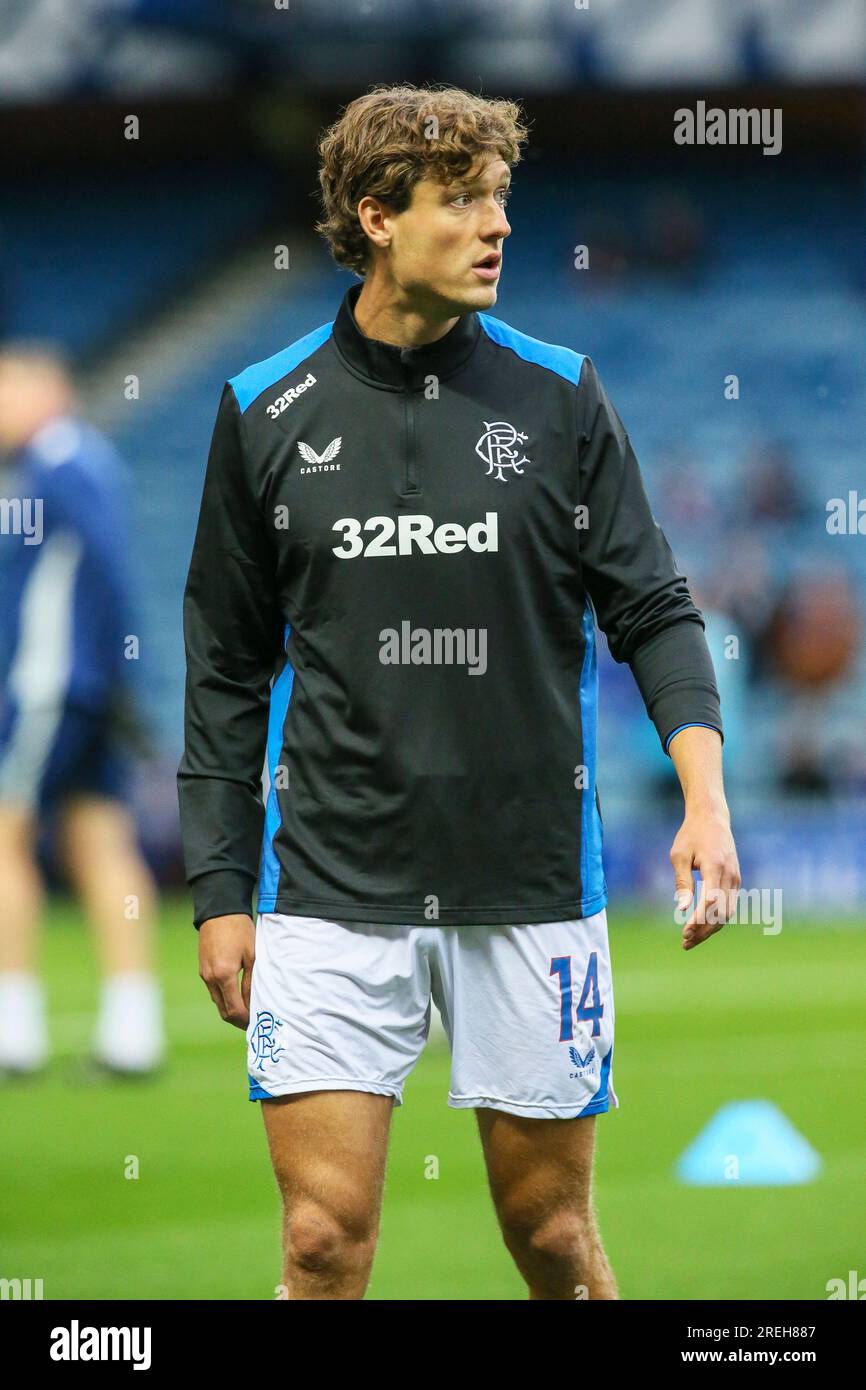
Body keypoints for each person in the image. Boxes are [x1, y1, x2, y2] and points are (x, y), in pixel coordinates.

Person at [178, 84, 740, 1300]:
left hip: (528, 876)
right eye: (460, 200)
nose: (493, 226)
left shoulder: (558, 395)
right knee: (321, 1242)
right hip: (330, 885)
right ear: (376, 215)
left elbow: (652, 606)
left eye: (498, 198)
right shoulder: (263, 411)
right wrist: (221, 890)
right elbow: (226, 666)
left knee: (549, 1237)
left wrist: (703, 797)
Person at [0, 347, 163, 1076]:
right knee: (100, 841)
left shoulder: (59, 464)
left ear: (48, 390)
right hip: (86, 688)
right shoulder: (69, 464)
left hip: (48, 686)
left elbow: (105, 568)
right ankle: (134, 1031)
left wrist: (123, 669)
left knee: (5, 839)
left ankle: (15, 1031)